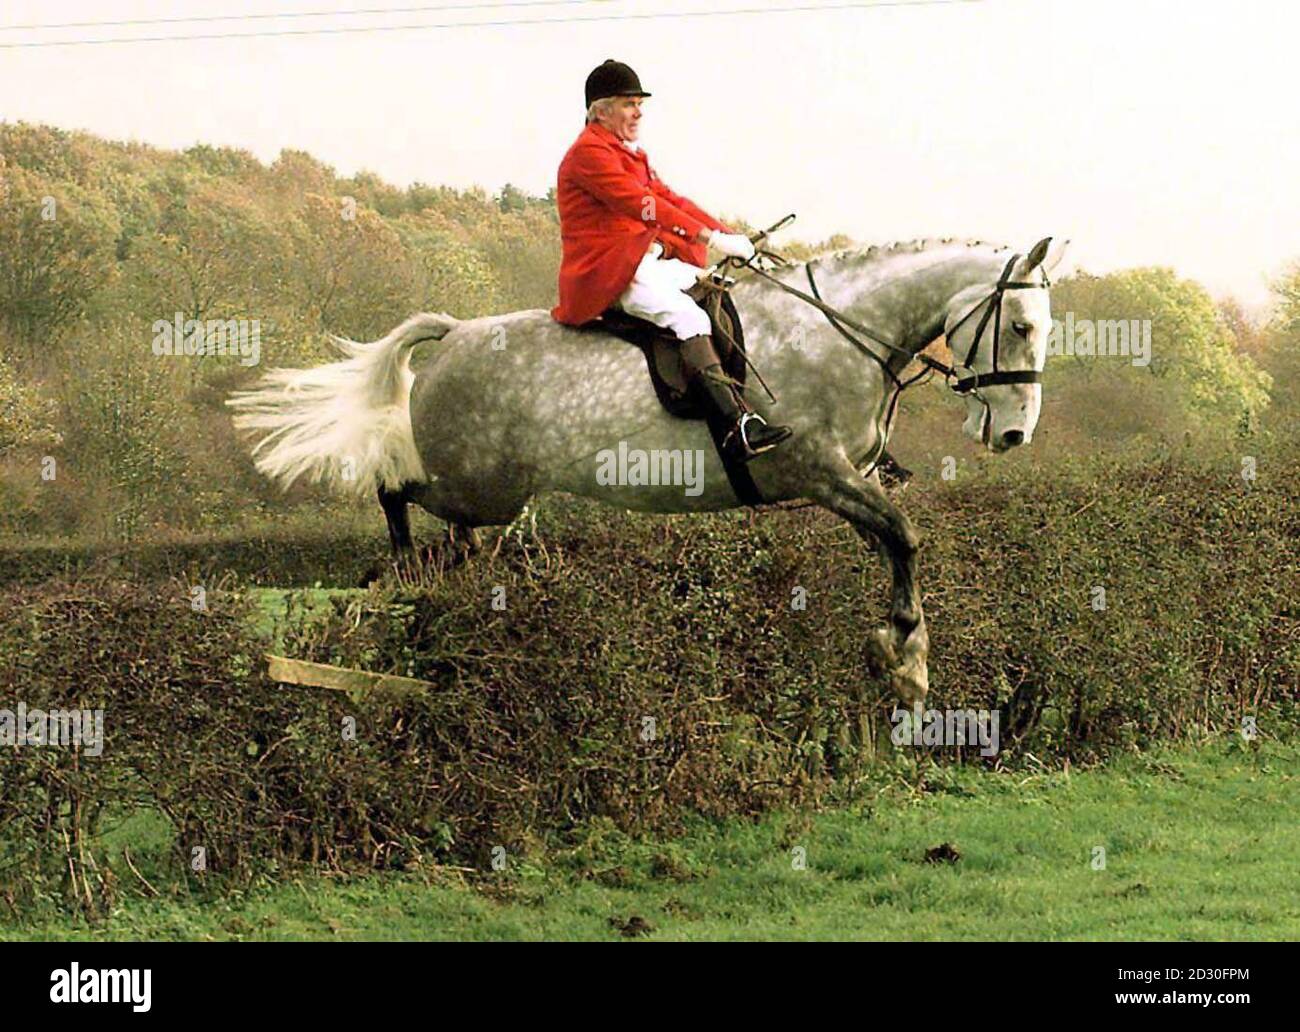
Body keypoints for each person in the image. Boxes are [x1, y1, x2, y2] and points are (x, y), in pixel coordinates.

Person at [551, 59, 792, 462]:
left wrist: (728, 236)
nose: (639, 112)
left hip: (642, 263)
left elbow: (672, 200)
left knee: (717, 289)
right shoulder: (588, 155)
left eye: (639, 104)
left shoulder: (629, 153)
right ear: (602, 109)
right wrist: (710, 238)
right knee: (689, 318)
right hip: (610, 274)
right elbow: (643, 205)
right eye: (630, 104)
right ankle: (736, 428)